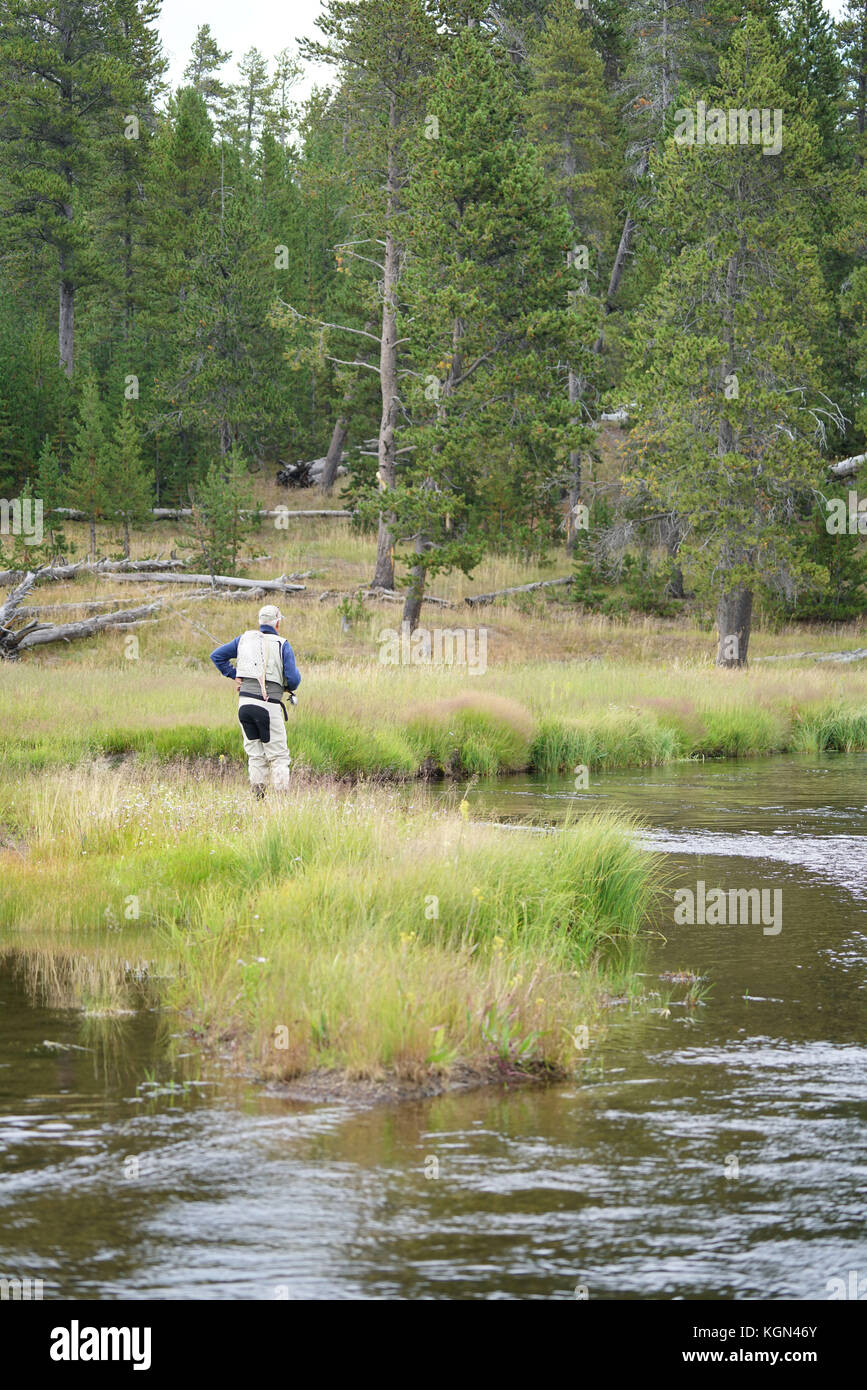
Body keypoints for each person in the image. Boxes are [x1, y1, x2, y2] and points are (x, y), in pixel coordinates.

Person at [210, 604, 301, 799]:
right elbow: (294, 679)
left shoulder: (243, 640)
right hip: (268, 705)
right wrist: (285, 685)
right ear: (277, 623)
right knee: (279, 757)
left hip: (244, 705)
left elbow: (216, 656)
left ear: (260, 622)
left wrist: (234, 675)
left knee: (256, 756)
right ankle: (281, 802)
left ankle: (258, 800)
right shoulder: (282, 643)